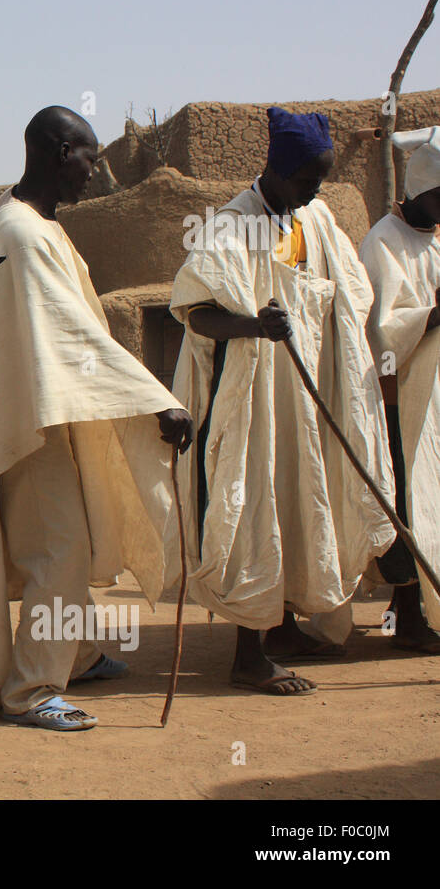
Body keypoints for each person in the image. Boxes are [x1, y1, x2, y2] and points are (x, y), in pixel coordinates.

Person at [0, 107, 192, 731]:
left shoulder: (28, 223)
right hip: (32, 428)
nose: (94, 173)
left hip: (41, 418)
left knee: (62, 544)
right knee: (60, 549)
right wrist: (155, 397)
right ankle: (31, 687)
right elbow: (71, 336)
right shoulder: (22, 235)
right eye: (88, 157)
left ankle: (74, 651)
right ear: (56, 152)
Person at [170, 107, 394, 696]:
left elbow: (350, 296)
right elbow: (196, 313)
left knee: (299, 502)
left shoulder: (314, 219)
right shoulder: (229, 226)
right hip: (253, 403)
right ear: (276, 168)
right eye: (305, 181)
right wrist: (252, 325)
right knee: (255, 508)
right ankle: (248, 654)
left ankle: (284, 625)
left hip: (306, 399)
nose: (314, 192)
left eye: (320, 181)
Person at [293, 126, 440, 656]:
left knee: (426, 506)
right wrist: (433, 312)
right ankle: (408, 609)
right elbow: (380, 330)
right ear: (420, 191)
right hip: (396, 402)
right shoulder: (384, 240)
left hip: (432, 405)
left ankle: (411, 610)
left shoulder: (433, 239)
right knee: (398, 506)